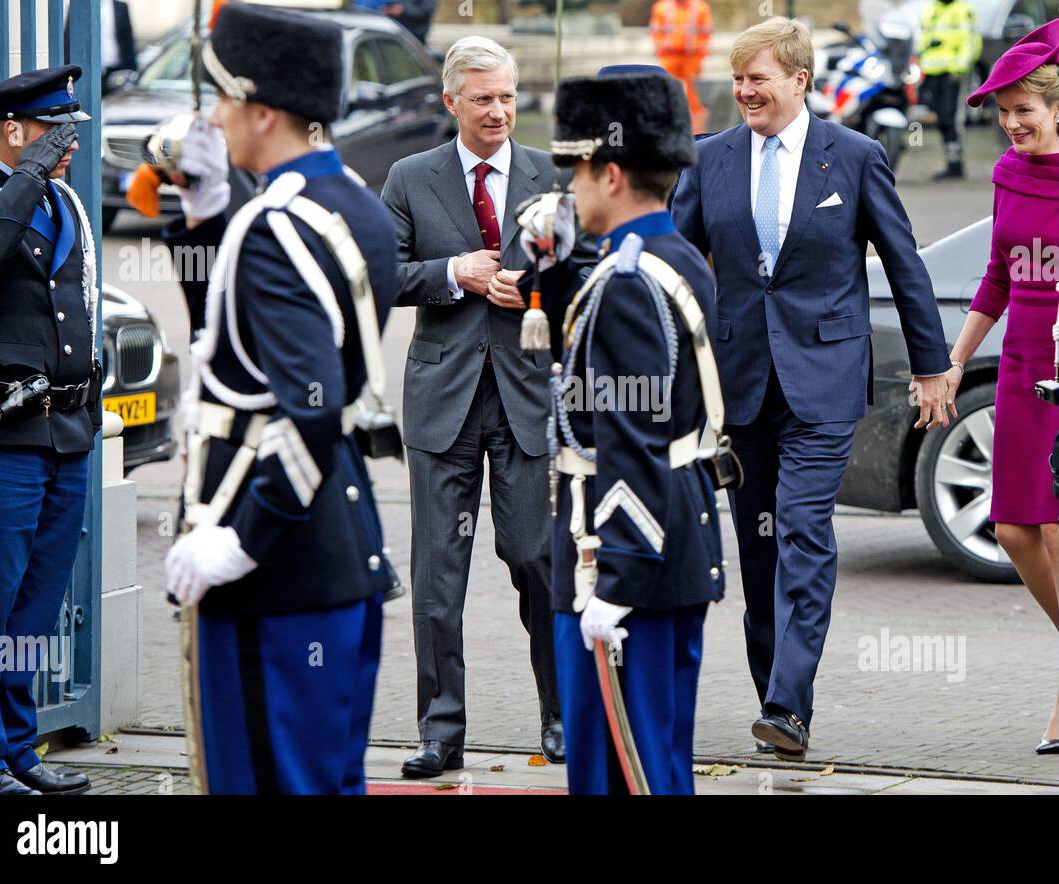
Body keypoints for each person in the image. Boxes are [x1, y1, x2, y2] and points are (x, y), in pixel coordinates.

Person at [672, 18, 954, 761]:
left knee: (801, 532)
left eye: (758, 78)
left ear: (800, 80)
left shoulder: (855, 156)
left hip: (823, 380)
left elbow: (904, 263)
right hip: (740, 383)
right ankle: (777, 699)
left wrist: (932, 367)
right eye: (738, 80)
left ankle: (788, 705)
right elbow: (672, 261)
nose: (744, 91)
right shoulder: (711, 159)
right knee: (757, 548)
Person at [161, 3, 398, 794]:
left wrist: (238, 541)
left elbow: (310, 405)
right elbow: (243, 350)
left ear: (263, 112)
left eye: (226, 100)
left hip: (279, 571)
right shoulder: (349, 201)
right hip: (338, 550)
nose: (215, 116)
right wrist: (204, 221)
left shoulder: (275, 225)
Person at [527, 69, 725, 794]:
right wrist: (551, 269)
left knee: (621, 774)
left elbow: (632, 440)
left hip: (621, 564)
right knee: (658, 762)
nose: (570, 188)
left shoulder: (628, 281)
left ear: (610, 173)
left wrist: (616, 582)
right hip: (673, 542)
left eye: (576, 170)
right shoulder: (665, 257)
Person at [382, 36, 565, 777]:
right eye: (484, 98)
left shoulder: (549, 173)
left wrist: (539, 286)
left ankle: (560, 715)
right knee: (437, 577)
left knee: (537, 558)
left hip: (525, 401)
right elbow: (380, 274)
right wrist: (452, 272)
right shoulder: (408, 176)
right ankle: (440, 731)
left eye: (509, 97)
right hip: (443, 403)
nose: (499, 111)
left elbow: (585, 276)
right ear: (452, 102)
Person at [0, 65, 98, 796]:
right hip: (1, 441)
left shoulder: (65, 203)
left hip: (66, 434)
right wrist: (30, 172)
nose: (67, 145)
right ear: (14, 130)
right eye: (54, 130)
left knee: (34, 608)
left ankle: (17, 748)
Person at [950, 25, 1059, 753]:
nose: (1014, 123)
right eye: (1005, 112)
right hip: (1021, 360)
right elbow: (996, 272)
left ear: (1058, 110)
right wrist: (956, 359)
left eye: (1026, 109)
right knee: (1015, 529)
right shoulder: (1004, 173)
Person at [918, 0, 982, 180]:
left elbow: (970, 42)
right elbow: (923, 38)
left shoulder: (962, 9)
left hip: (953, 74)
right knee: (941, 119)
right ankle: (950, 162)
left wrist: (960, 68)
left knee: (952, 118)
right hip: (932, 73)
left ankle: (956, 164)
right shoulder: (932, 9)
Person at [650, 0, 714, 133]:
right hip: (669, 55)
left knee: (694, 91)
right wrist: (660, 47)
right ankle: (669, 120)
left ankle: (697, 129)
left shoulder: (701, 8)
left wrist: (701, 49)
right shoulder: (661, 8)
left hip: (692, 56)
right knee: (668, 87)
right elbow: (656, 31)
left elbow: (706, 31)